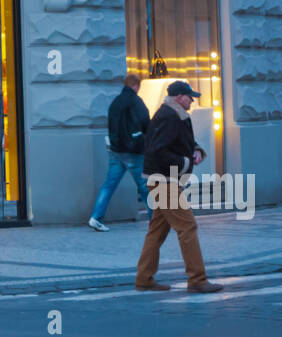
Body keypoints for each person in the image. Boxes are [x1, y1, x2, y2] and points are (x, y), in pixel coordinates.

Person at [134, 81, 223, 293]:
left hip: (166, 179)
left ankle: (144, 278)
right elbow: (158, 151)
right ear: (179, 97)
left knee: (157, 231)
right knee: (187, 227)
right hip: (164, 181)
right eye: (189, 96)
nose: (192, 100)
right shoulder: (168, 116)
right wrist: (185, 163)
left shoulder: (175, 115)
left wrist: (197, 150)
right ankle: (197, 279)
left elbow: (182, 142)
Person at [89, 73, 152, 230]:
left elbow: (111, 125)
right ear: (136, 86)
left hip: (116, 151)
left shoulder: (115, 102)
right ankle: (156, 220)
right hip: (133, 151)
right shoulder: (136, 101)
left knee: (109, 185)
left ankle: (96, 217)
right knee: (145, 186)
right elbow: (146, 121)